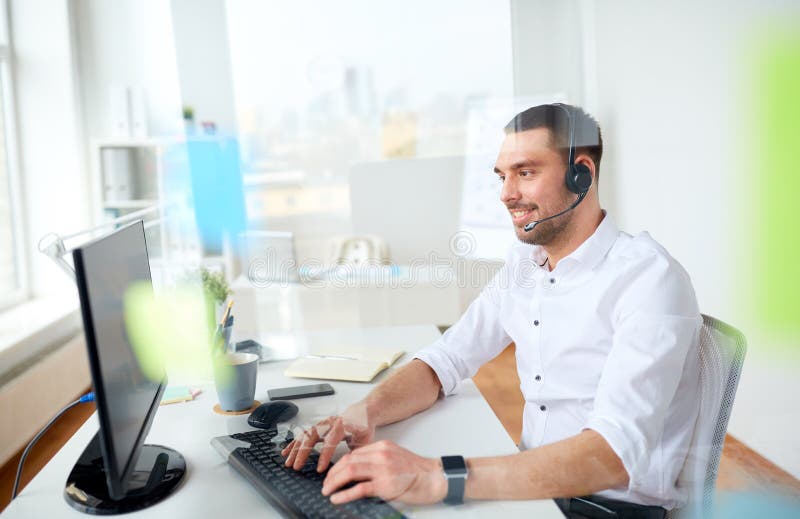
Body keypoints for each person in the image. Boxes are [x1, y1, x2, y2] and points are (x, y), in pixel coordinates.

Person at [281, 104, 701, 518]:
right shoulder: (524, 264)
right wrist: (364, 412)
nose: (506, 194)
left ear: (582, 173)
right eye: (503, 176)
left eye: (526, 172)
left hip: (602, 508)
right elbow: (448, 358)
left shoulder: (648, 279)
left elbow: (612, 455)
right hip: (532, 485)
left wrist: (435, 476)